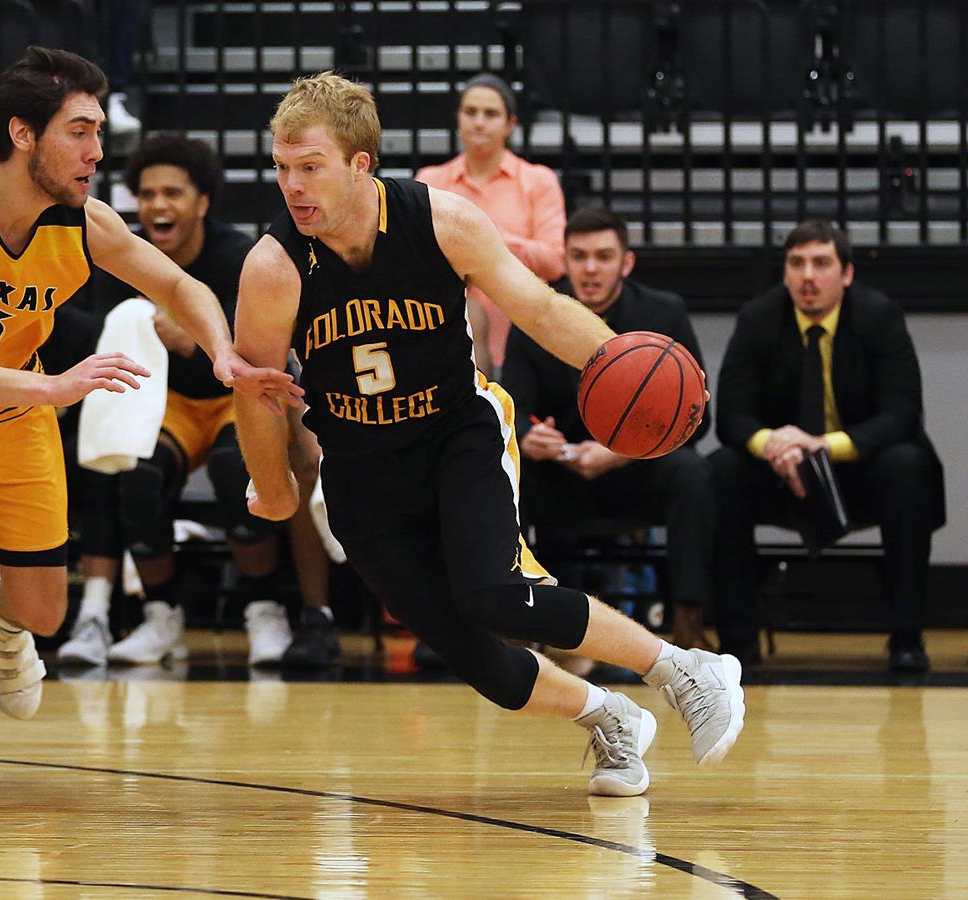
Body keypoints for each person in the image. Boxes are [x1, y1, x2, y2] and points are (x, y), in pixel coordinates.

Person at [235, 72, 744, 797]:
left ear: (360, 165)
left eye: (309, 166)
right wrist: (277, 485)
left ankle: (682, 668)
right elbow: (255, 393)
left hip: (456, 438)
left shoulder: (443, 221)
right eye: (281, 167)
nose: (292, 185)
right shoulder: (274, 266)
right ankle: (609, 716)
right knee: (481, 662)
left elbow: (538, 309)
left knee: (495, 594)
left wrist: (617, 363)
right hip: (360, 475)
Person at [0, 47, 296, 721]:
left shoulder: (84, 222)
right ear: (24, 134)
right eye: (79, 131)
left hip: (4, 415)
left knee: (45, 612)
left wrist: (222, 352)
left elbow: (177, 283)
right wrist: (53, 390)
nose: (96, 152)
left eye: (99, 133)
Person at [79, 134, 293, 668]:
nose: (157, 205)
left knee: (234, 470)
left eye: (172, 193)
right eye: (147, 194)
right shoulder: (119, 254)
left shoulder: (238, 254)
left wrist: (193, 338)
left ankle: (265, 607)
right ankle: (161, 618)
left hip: (228, 398)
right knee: (139, 475)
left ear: (202, 202)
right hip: (164, 399)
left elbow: (261, 341)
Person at [708, 221, 945, 673]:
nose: (807, 276)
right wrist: (775, 445)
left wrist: (821, 445)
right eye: (796, 264)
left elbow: (903, 415)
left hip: (859, 470)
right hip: (782, 473)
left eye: (821, 263)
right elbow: (732, 417)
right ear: (784, 273)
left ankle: (906, 638)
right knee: (721, 470)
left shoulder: (880, 316)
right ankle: (738, 643)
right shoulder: (758, 318)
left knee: (908, 465)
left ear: (847, 273)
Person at [501, 208, 717, 652]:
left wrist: (621, 451)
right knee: (501, 471)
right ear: (565, 260)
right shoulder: (538, 312)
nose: (591, 268)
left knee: (693, 472)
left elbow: (698, 419)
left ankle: (689, 619)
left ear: (626, 262)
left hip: (636, 472)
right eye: (579, 256)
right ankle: (515, 619)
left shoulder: (662, 311)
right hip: (561, 473)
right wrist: (527, 435)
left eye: (603, 256)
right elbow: (511, 407)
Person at [415, 73, 565, 371]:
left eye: (491, 114)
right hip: (448, 345)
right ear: (458, 118)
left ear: (510, 124)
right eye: (470, 112)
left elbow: (555, 261)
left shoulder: (539, 180)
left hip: (525, 342)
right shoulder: (430, 181)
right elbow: (416, 262)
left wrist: (489, 237)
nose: (479, 122)